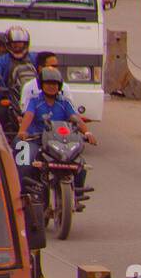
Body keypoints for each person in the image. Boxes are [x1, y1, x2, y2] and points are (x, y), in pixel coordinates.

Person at [15, 67, 95, 205]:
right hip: (36, 139)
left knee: (80, 165)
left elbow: (75, 118)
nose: (52, 86)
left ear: (60, 85)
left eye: (55, 84)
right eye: (48, 83)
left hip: (58, 141)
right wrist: (23, 131)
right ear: (41, 84)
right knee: (25, 163)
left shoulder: (64, 102)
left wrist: (87, 132)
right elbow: (29, 115)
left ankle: (76, 195)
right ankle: (25, 194)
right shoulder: (35, 101)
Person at [0, 26, 33, 135]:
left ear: (26, 44)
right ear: (8, 44)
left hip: (34, 97)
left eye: (20, 43)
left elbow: (46, 70)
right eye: (14, 44)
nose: (17, 47)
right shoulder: (1, 61)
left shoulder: (34, 58)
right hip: (9, 97)